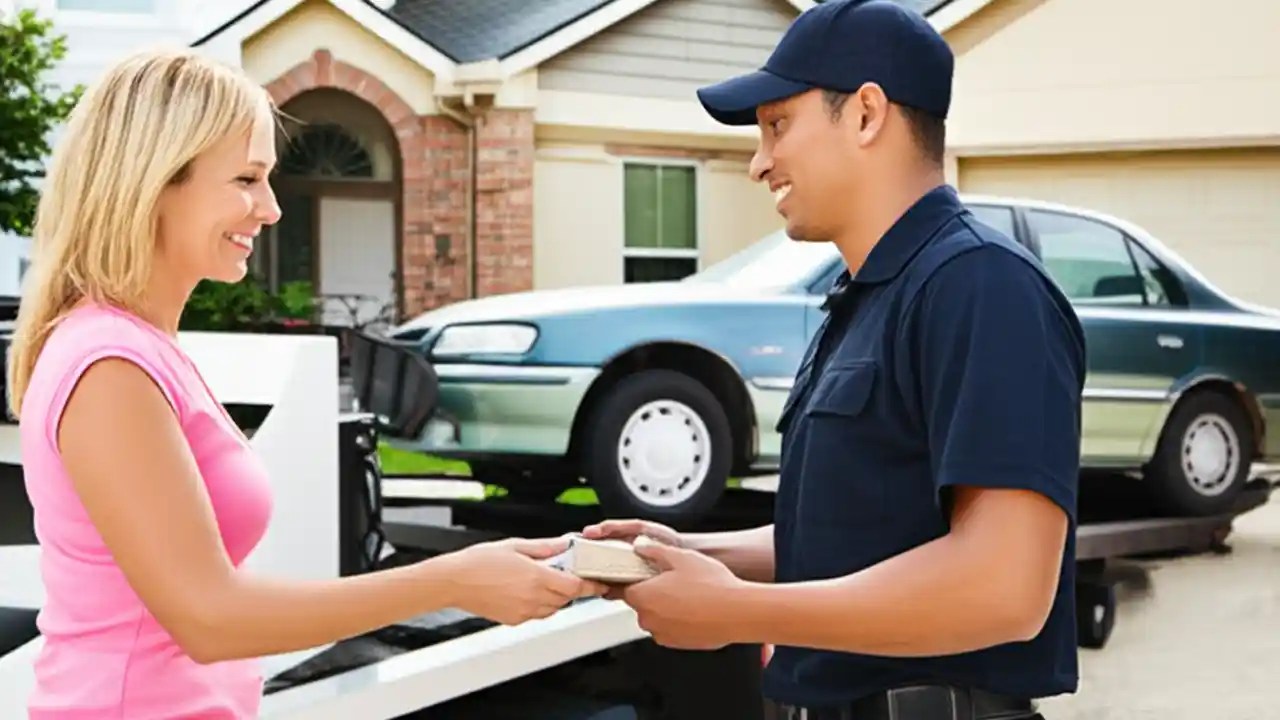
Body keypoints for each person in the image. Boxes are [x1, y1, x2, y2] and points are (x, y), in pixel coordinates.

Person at [6, 47, 604, 719]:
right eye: (246, 179)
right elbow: (207, 619)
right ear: (155, 182)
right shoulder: (108, 367)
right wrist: (452, 579)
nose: (270, 209)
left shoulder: (143, 349)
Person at [582, 2, 1086, 719]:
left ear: (867, 114)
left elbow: (1003, 587)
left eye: (777, 125)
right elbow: (851, 540)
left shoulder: (982, 288)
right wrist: (693, 554)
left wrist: (743, 611)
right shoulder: (865, 298)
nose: (759, 163)